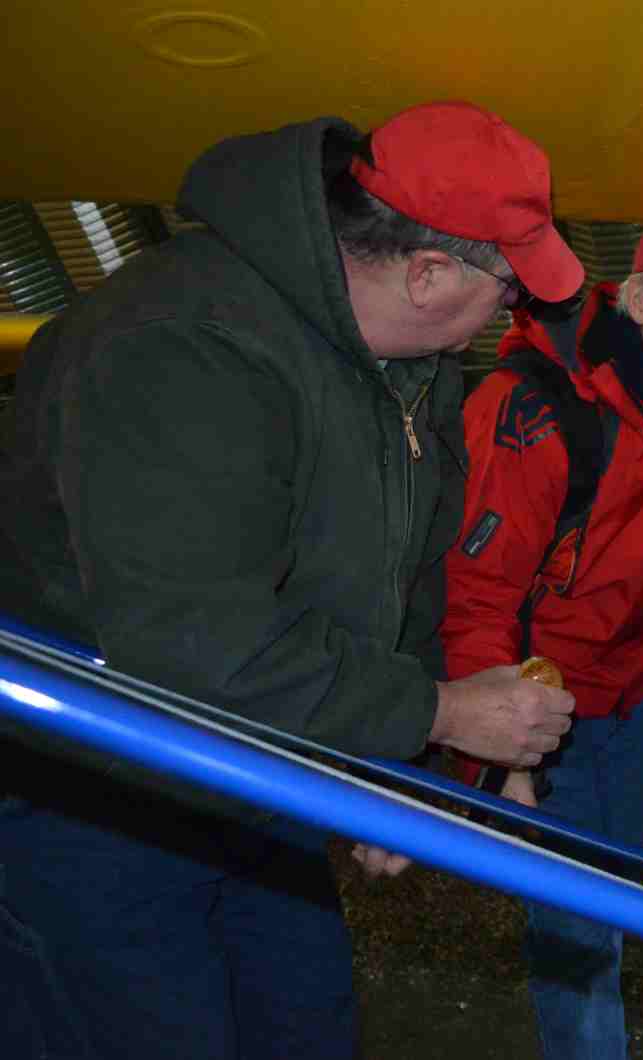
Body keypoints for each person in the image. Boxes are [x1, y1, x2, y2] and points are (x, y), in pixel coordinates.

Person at [0, 101, 580, 1060]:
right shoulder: (177, 348)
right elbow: (191, 645)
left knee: (306, 1024)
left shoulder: (413, 368)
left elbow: (411, 583)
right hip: (91, 798)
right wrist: (436, 711)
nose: (516, 315)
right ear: (429, 274)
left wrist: (389, 769)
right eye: (511, 292)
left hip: (257, 776)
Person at [442, 206, 643, 1059]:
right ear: (642, 300)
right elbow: (475, 593)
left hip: (633, 697)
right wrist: (500, 756)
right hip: (546, 713)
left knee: (609, 899)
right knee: (579, 927)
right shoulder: (531, 411)